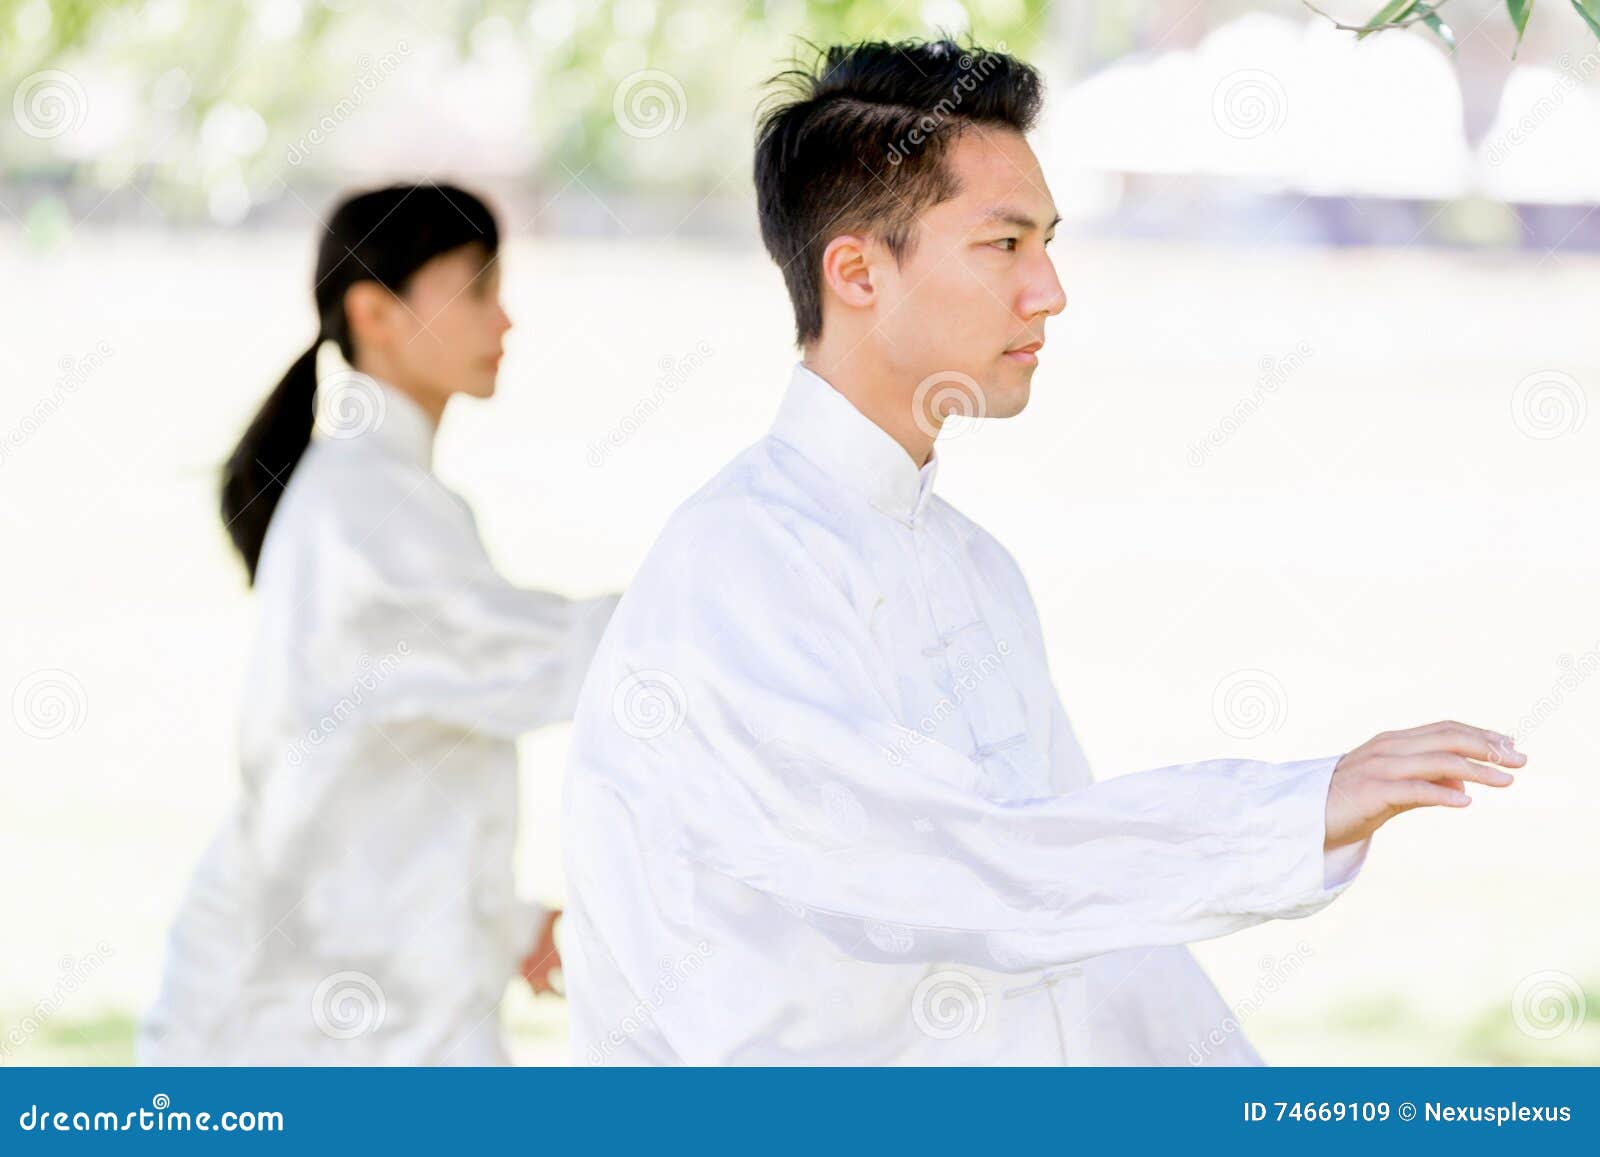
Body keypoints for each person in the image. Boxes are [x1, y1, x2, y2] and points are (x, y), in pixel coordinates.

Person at [559, 41, 1523, 1065]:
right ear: (856, 271)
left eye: (1047, 243)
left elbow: (1085, 930)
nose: (1050, 290)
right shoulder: (735, 570)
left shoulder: (975, 567)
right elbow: (945, 872)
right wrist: (1294, 809)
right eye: (1004, 244)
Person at [140, 183, 618, 1065]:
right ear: (374, 312)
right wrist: (727, 604)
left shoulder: (378, 494)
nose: (506, 319)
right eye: (477, 288)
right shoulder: (361, 508)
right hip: (287, 1030)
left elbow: (378, 783)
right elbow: (537, 660)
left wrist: (508, 924)